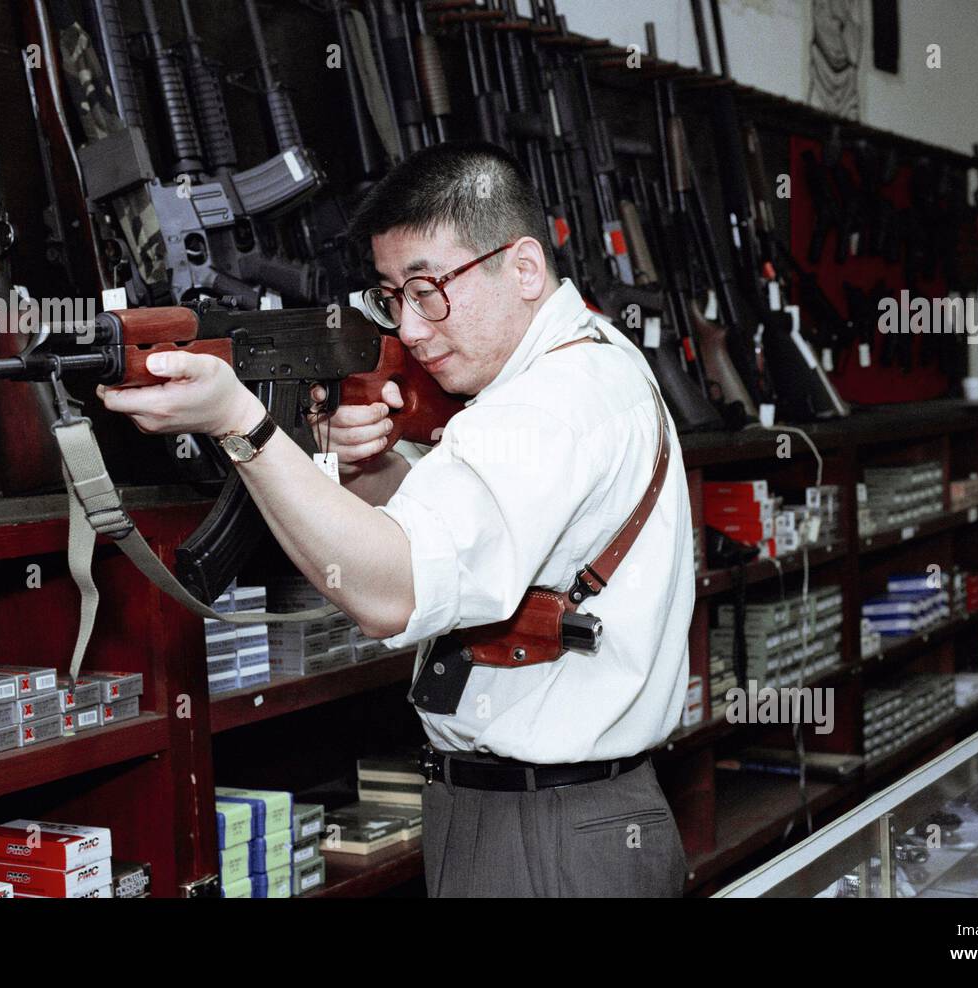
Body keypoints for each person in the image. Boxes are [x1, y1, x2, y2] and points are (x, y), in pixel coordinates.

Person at [98, 142, 693, 897]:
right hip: (552, 818)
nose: (409, 329)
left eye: (428, 289)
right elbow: (466, 544)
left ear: (524, 268)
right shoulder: (591, 359)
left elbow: (393, 593)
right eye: (391, 295)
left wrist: (241, 425)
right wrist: (376, 469)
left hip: (547, 837)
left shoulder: (545, 408)